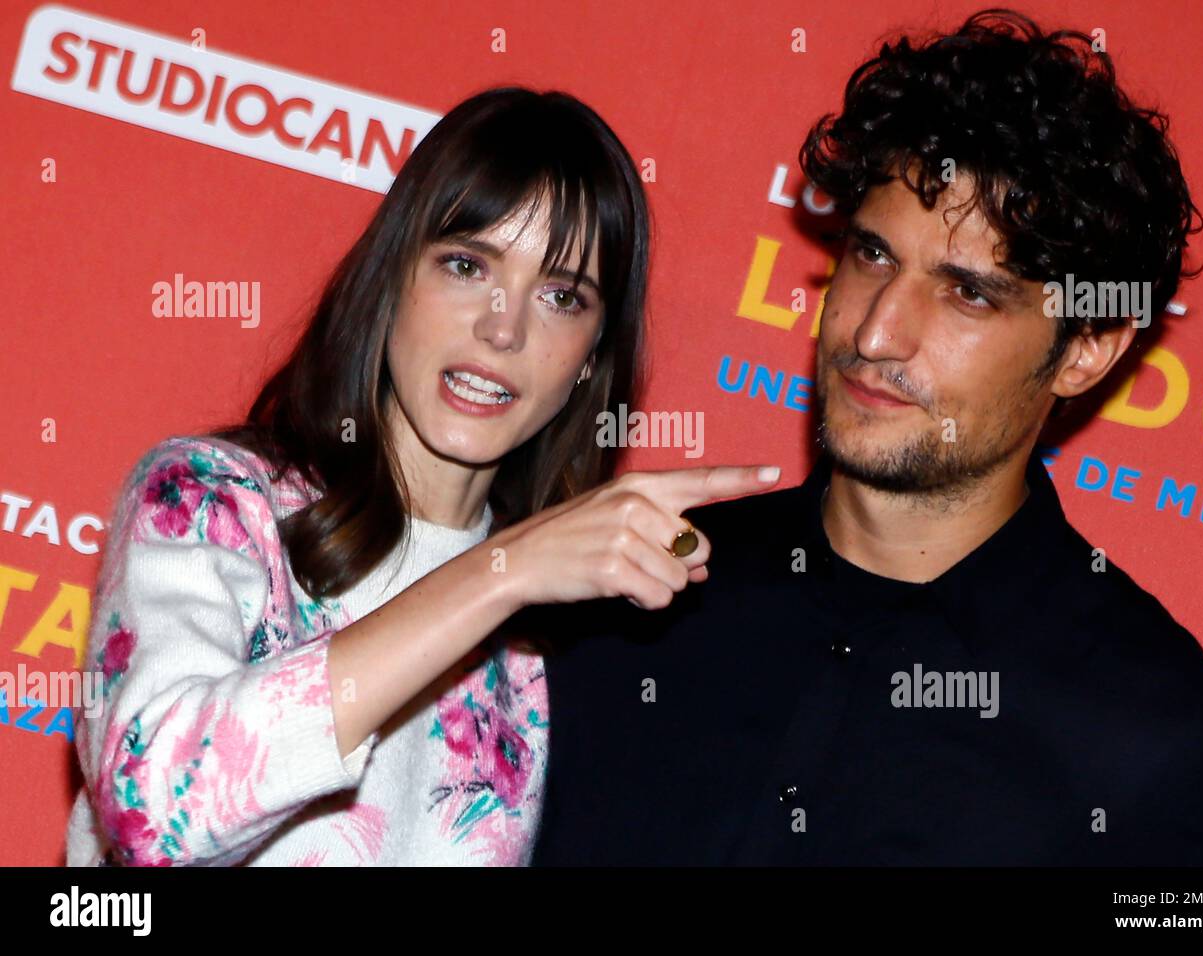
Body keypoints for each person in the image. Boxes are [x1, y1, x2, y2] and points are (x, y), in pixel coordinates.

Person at [532, 9, 1203, 865]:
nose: (875, 333)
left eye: (968, 293)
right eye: (871, 255)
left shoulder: (1172, 753)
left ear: (1085, 350)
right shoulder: (624, 597)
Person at [66, 85, 780, 866]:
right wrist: (496, 575)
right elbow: (153, 812)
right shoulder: (211, 500)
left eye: (560, 296)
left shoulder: (547, 654)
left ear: (590, 361)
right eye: (467, 265)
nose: (502, 328)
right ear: (392, 276)